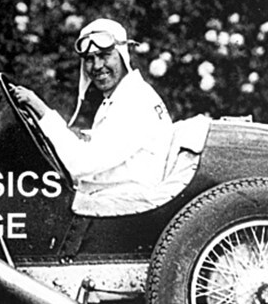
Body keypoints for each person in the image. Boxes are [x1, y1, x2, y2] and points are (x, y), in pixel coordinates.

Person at [10, 18, 175, 216]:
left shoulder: (134, 101)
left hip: (125, 209)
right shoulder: (123, 96)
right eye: (89, 58)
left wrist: (40, 109)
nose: (97, 66)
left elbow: (81, 164)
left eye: (105, 55)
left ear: (122, 55)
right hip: (113, 197)